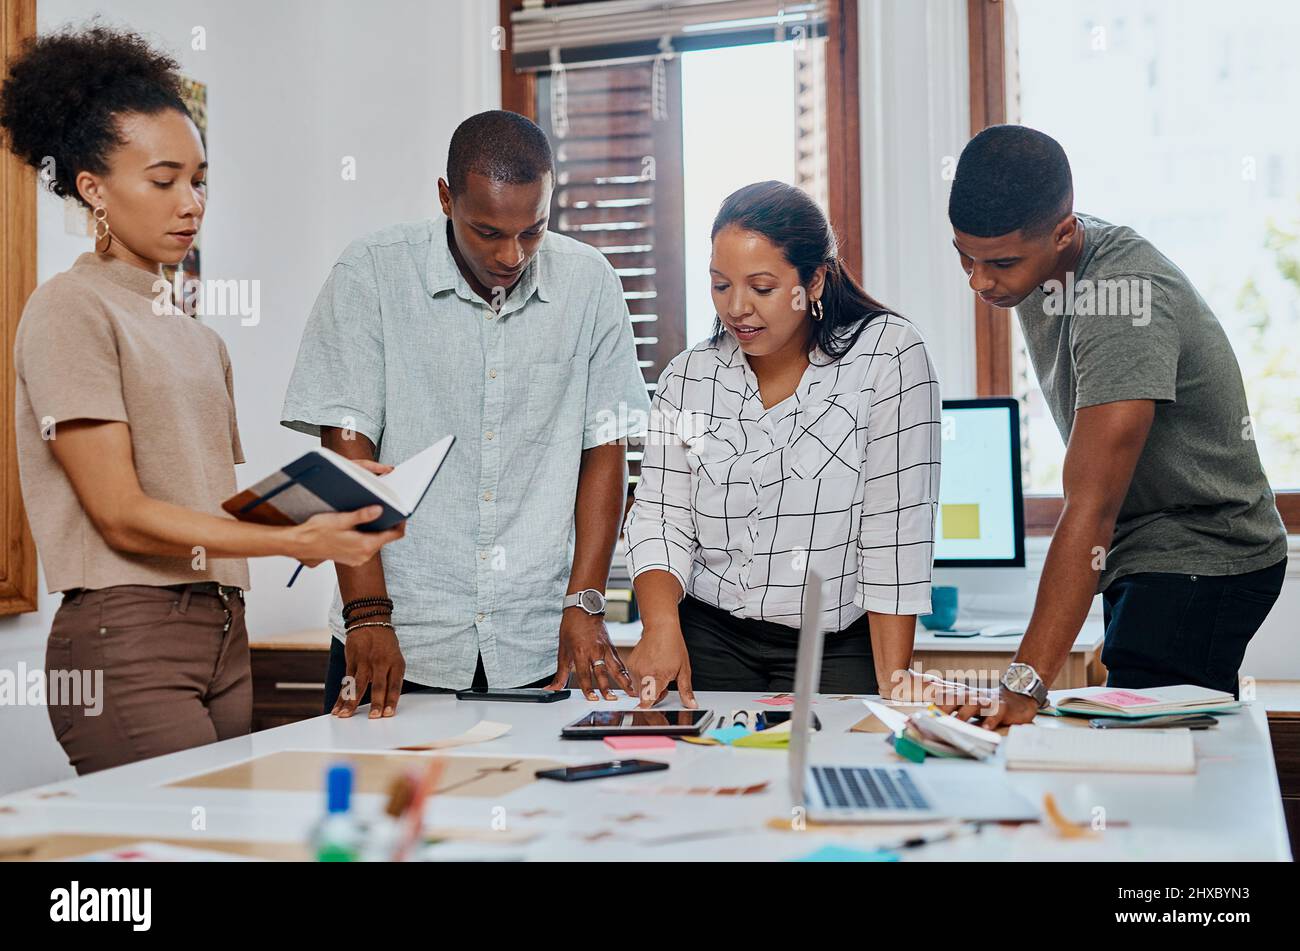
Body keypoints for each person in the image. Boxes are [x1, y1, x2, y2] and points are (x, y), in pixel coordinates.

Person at [0, 25, 401, 774]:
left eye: (200, 179)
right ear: (92, 186)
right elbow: (119, 512)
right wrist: (294, 543)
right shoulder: (69, 310)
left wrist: (326, 501)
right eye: (163, 181)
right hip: (127, 634)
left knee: (220, 840)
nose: (191, 203)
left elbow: (210, 506)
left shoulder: (196, 336)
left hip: (222, 630)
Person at [280, 110, 652, 716]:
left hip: (537, 643)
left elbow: (603, 451)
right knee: (384, 808)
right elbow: (348, 451)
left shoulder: (590, 284)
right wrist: (367, 614)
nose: (513, 254)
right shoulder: (372, 273)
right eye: (488, 232)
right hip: (398, 634)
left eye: (533, 231)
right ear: (446, 198)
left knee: (541, 807)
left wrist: (584, 602)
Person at [942, 124, 1287, 728]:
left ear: (1063, 233)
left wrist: (1023, 686)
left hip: (1206, 548)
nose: (980, 281)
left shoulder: (1124, 300)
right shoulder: (1044, 261)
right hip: (1151, 547)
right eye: (964, 257)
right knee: (1139, 740)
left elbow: (1091, 504)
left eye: (999, 263)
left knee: (1150, 760)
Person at [623, 181, 942, 707]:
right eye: (720, 285)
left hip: (836, 644)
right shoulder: (688, 376)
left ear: (813, 279)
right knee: (701, 780)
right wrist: (659, 627)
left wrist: (894, 685)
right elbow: (660, 514)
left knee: (831, 776)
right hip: (709, 634)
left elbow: (895, 528)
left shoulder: (888, 357)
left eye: (762, 287)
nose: (737, 308)